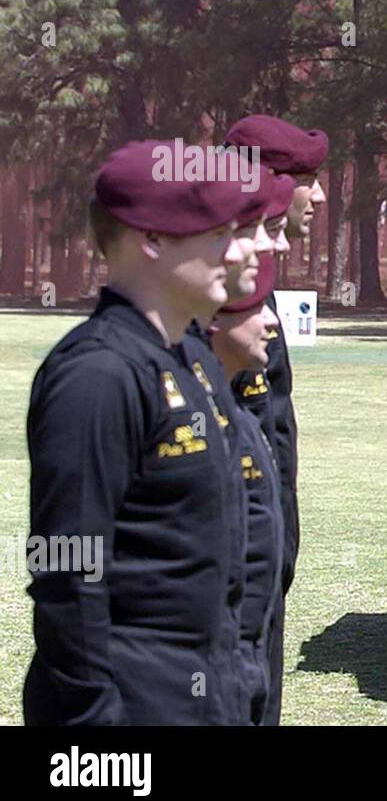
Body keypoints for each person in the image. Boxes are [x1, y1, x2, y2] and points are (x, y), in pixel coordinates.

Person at [24, 140, 253, 724]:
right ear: (151, 240)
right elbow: (66, 575)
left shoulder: (188, 360)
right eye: (218, 236)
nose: (236, 255)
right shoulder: (97, 375)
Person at [223, 114, 329, 724]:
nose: (317, 195)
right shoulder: (222, 301)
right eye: (307, 178)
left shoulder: (253, 292)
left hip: (257, 568)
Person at [210, 262, 284, 725]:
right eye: (255, 306)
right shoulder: (98, 376)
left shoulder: (226, 400)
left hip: (246, 650)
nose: (274, 319)